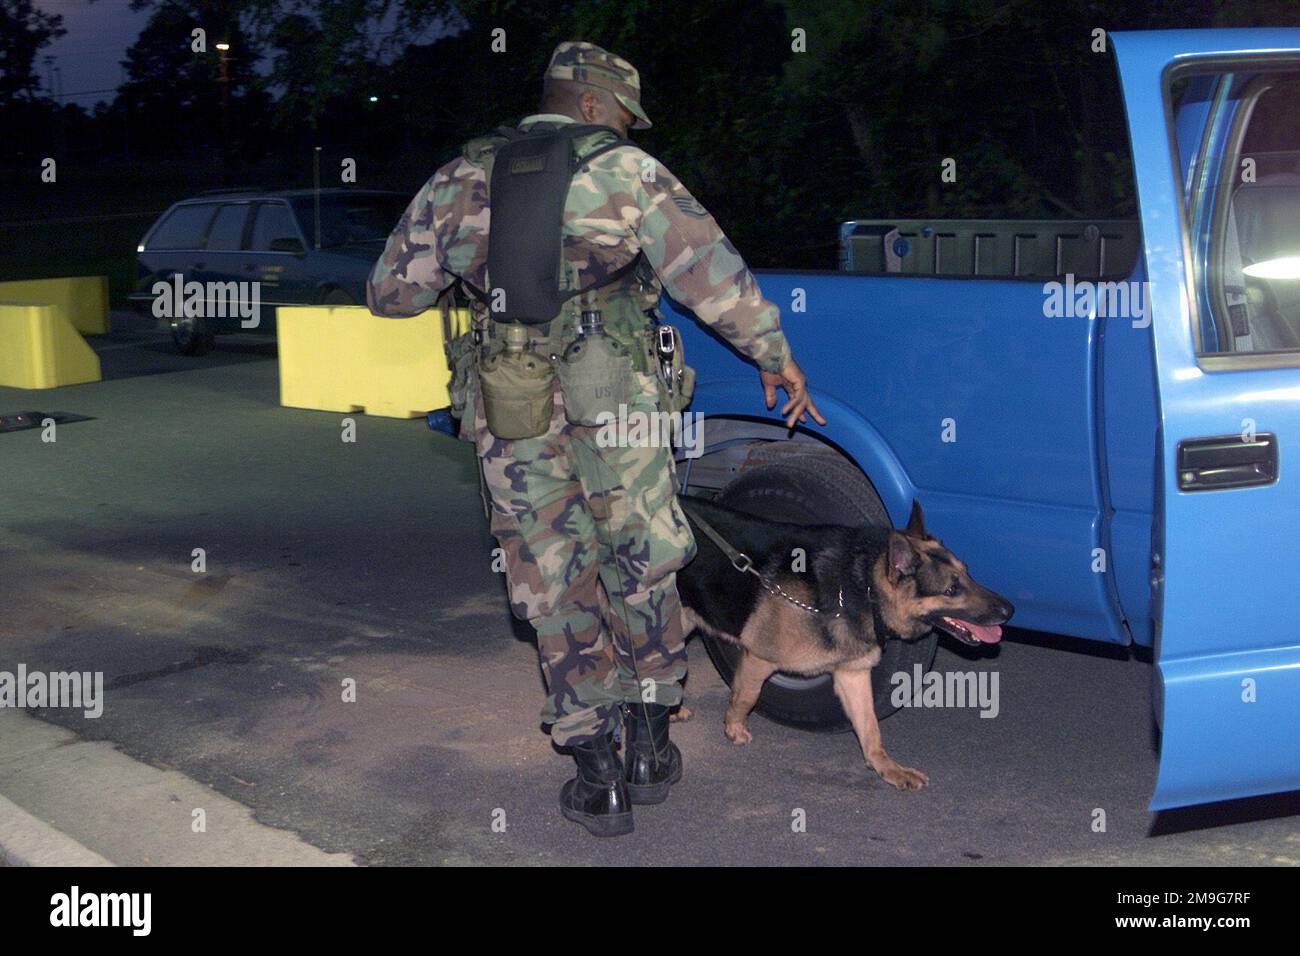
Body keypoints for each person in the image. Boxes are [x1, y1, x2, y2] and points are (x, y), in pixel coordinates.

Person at [367, 41, 824, 837]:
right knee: (642, 559)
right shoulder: (627, 172)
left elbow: (391, 295)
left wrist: (479, 268)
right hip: (619, 398)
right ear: (587, 104)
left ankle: (596, 774)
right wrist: (776, 358)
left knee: (553, 576)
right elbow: (712, 276)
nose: (626, 128)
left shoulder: (460, 175)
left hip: (512, 409)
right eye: (621, 112)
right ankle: (650, 744)